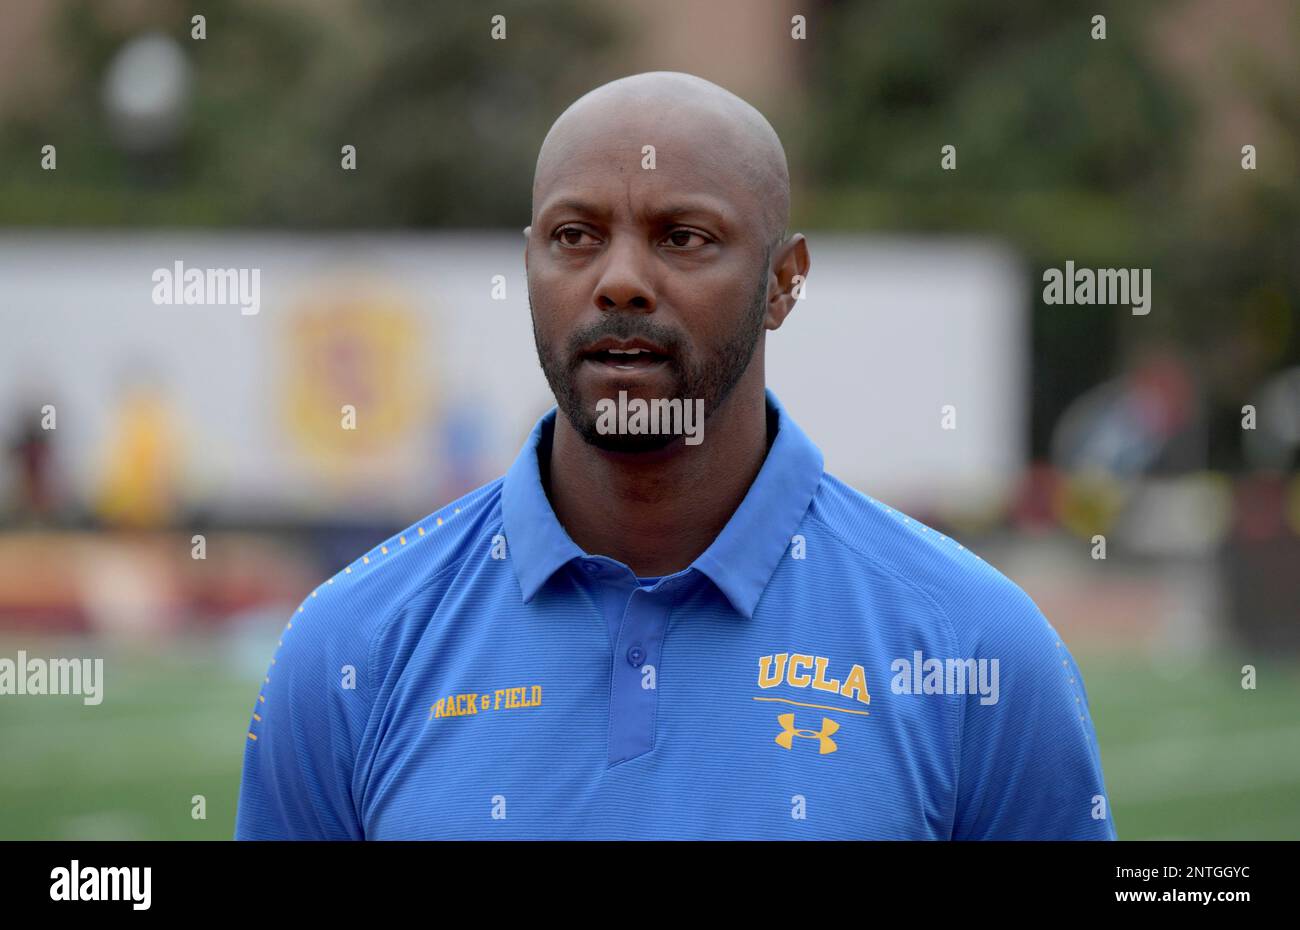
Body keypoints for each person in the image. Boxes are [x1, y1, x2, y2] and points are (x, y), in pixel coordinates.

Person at [235, 71, 1115, 840]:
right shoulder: (350, 645)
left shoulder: (977, 650)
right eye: (575, 236)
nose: (619, 279)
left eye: (682, 236)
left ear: (783, 283)